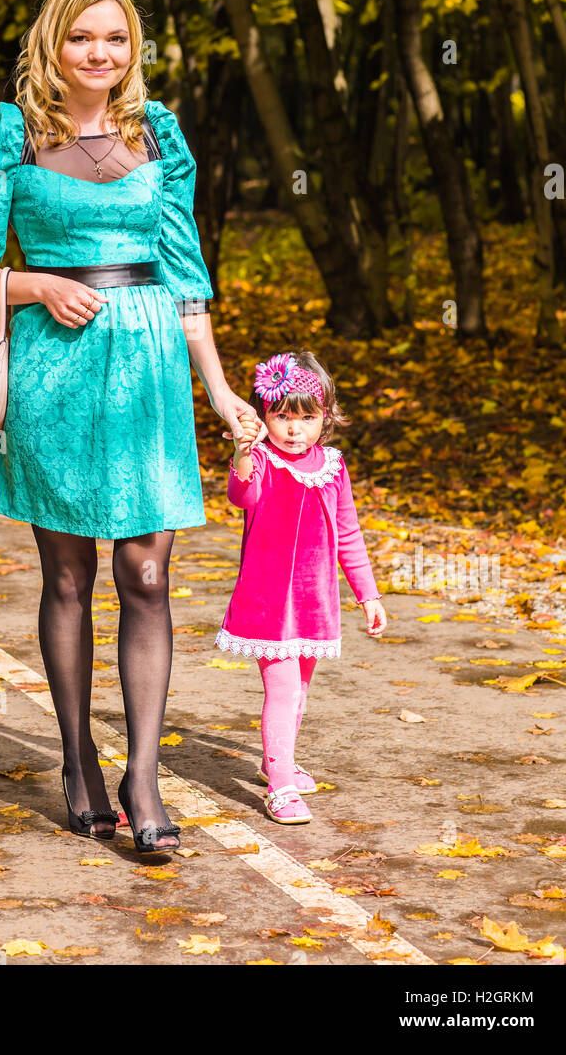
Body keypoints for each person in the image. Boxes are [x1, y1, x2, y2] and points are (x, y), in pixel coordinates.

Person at [0, 0, 260, 852]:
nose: (100, 53)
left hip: (150, 363)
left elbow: (187, 280)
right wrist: (37, 283)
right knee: (70, 578)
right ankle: (78, 757)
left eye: (115, 38)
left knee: (148, 575)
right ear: (54, 42)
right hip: (55, 372)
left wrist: (223, 392)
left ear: (133, 49)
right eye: (83, 37)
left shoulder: (159, 136)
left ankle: (143, 775)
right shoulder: (14, 136)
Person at [215, 350, 387, 824]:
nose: (294, 429)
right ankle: (281, 786)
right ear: (264, 415)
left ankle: (283, 761)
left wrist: (367, 594)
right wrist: (242, 454)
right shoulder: (263, 461)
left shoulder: (333, 465)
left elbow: (348, 532)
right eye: (282, 416)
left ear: (324, 418)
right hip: (269, 602)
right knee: (284, 689)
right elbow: (241, 497)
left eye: (306, 418)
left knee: (300, 689)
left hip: (315, 601)